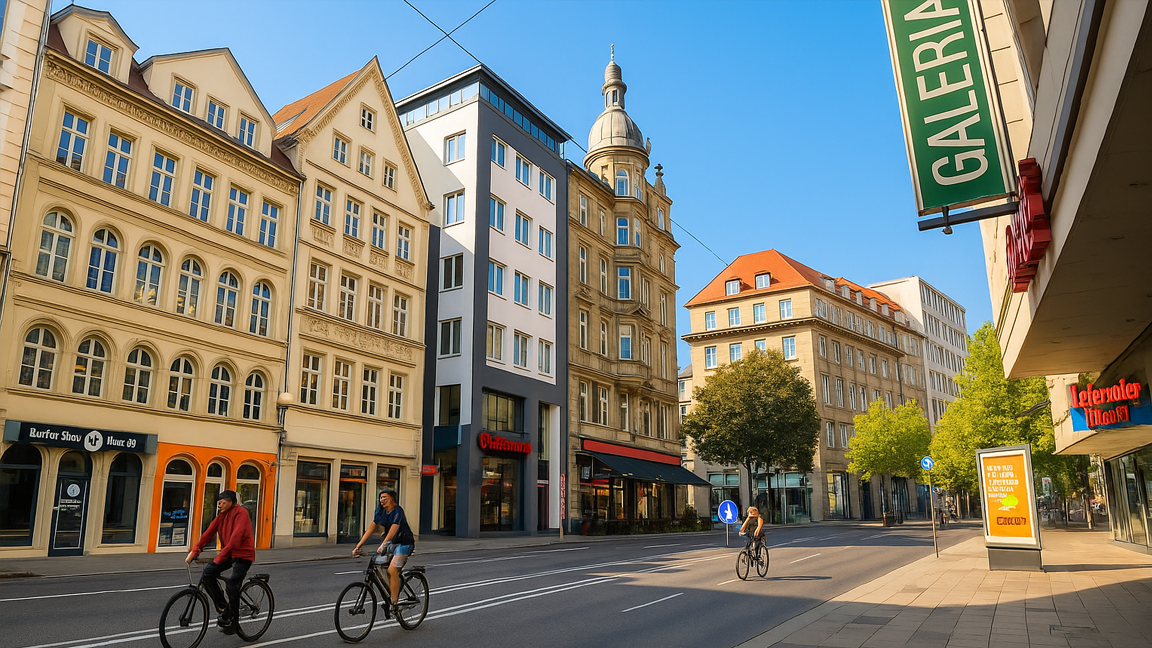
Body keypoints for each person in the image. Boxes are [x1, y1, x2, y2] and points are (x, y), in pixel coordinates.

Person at [186, 490, 255, 635]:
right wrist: (196, 550)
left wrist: (219, 557)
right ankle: (223, 606)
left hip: (243, 554)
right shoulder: (222, 516)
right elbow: (209, 532)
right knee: (208, 573)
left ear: (231, 501)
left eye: (223, 502)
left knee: (232, 585)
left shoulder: (241, 513)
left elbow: (235, 539)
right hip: (229, 553)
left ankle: (232, 620)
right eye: (219, 502)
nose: (220, 504)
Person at [353, 489, 415, 612]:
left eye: (385, 497)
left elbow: (394, 528)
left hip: (404, 544)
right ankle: (394, 585)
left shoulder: (398, 511)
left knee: (392, 569)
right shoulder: (381, 512)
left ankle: (394, 602)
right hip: (391, 543)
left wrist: (384, 543)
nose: (382, 500)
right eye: (380, 497)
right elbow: (371, 528)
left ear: (392, 499)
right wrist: (358, 546)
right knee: (380, 565)